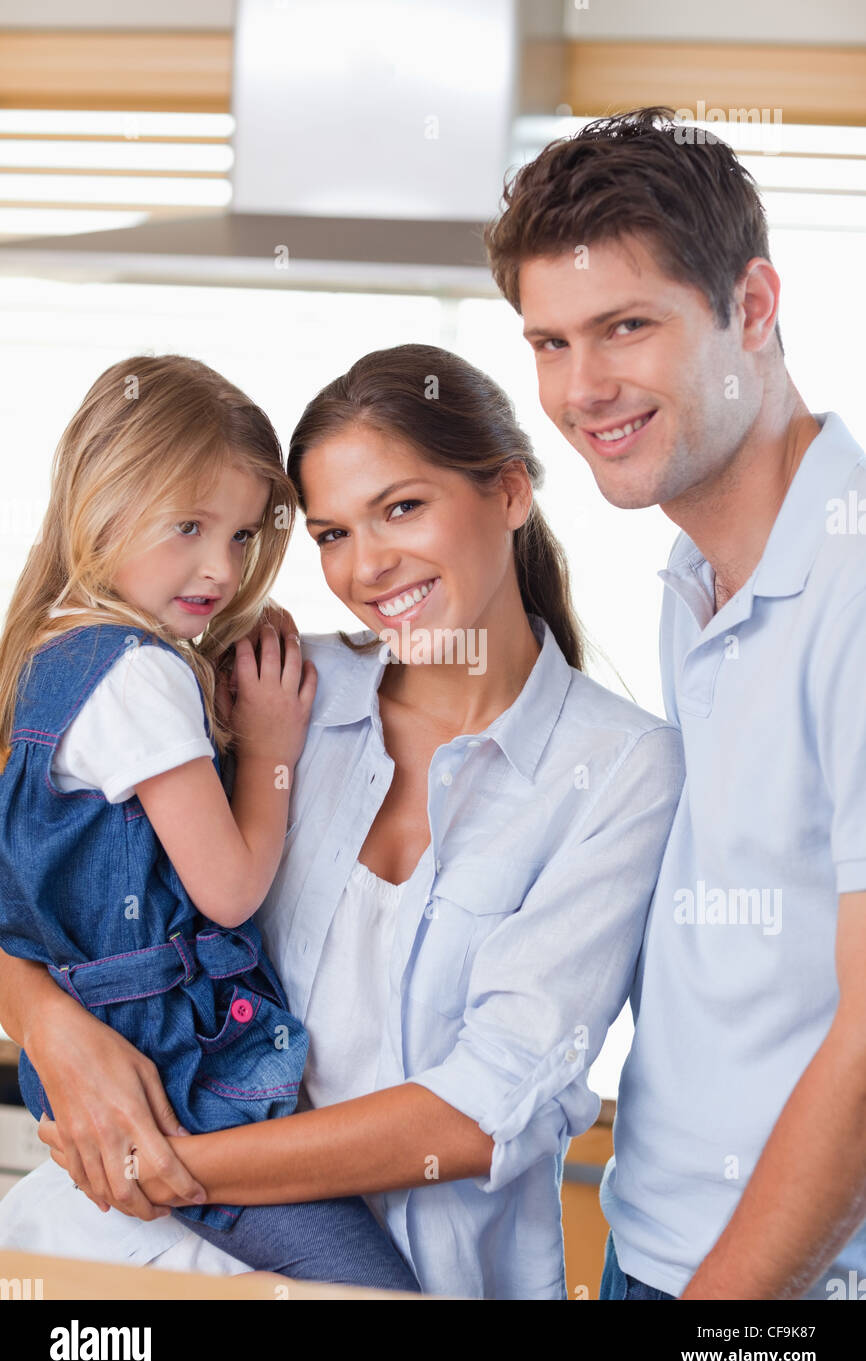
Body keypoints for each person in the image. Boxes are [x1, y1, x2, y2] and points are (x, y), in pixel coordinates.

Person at [0, 343, 684, 1299]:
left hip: (406, 1273)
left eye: (402, 507)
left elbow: (482, 1109)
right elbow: (47, 871)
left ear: (511, 493)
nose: (366, 567)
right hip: (124, 1260)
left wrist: (169, 1165)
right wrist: (48, 1026)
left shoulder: (619, 769)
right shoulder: (272, 684)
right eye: (328, 534)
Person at [482, 105, 866, 1300]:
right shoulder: (694, 569)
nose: (580, 388)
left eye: (624, 328)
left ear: (751, 308)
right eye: (547, 341)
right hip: (657, 1248)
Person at [0, 352, 420, 1292]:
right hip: (190, 1083)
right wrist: (272, 740)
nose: (219, 568)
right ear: (99, 501)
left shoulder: (43, 660)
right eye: (188, 526)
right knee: (374, 1291)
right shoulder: (139, 672)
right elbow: (228, 888)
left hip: (111, 1078)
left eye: (239, 536)